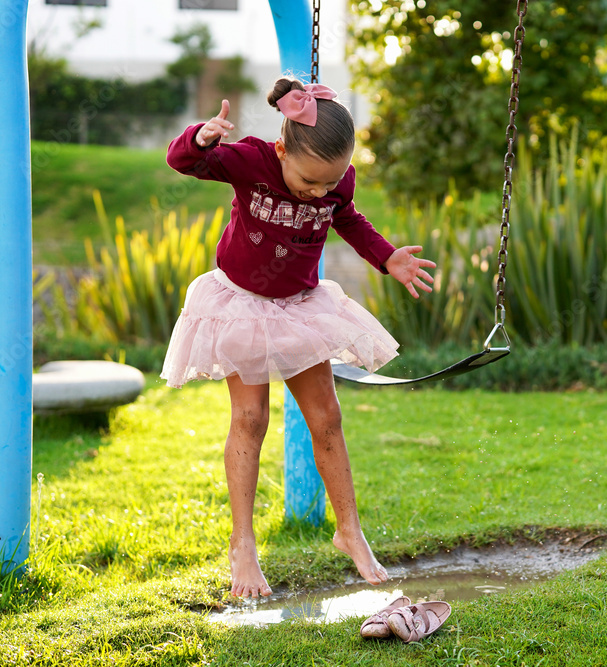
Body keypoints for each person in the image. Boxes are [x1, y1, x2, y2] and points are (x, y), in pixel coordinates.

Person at [161, 78, 435, 598]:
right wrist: (200, 138)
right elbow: (184, 163)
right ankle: (243, 546)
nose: (318, 193)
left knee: (327, 416)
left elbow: (348, 218)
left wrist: (387, 256)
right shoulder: (252, 160)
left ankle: (349, 530)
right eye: (309, 181)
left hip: (300, 308)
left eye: (329, 183)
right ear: (283, 149)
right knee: (251, 418)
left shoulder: (335, 182)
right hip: (241, 306)